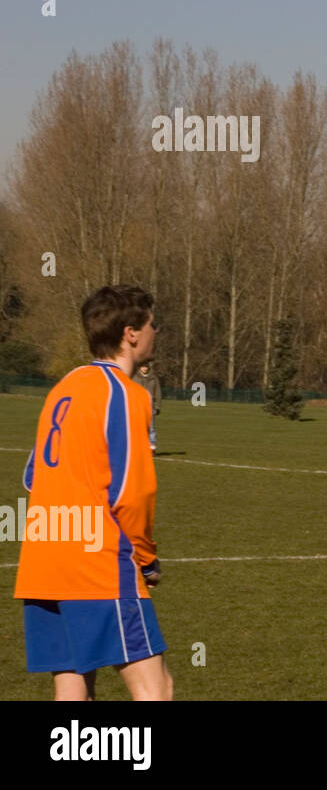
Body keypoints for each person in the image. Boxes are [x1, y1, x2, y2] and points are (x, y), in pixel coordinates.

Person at [14, 285, 172, 700]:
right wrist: (146, 558)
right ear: (131, 333)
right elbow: (130, 492)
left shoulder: (64, 386)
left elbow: (33, 475)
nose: (157, 332)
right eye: (154, 324)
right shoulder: (125, 393)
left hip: (44, 555)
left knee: (73, 689)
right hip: (96, 559)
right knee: (156, 688)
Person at [133, 362, 161, 451]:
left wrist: (158, 406)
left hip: (150, 405)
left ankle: (152, 447)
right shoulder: (134, 377)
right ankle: (138, 447)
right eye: (142, 367)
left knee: (151, 428)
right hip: (137, 406)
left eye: (146, 367)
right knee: (137, 427)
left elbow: (158, 392)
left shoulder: (153, 378)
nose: (144, 368)